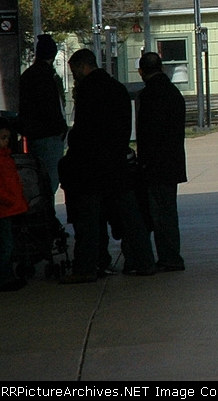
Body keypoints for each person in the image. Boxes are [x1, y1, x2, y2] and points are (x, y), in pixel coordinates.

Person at [58, 49, 156, 283]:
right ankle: (145, 262)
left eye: (74, 71)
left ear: (83, 67)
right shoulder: (117, 88)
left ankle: (87, 267)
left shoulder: (87, 92)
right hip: (117, 163)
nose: (74, 76)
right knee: (131, 217)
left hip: (92, 166)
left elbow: (82, 131)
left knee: (89, 219)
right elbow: (124, 128)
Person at [135, 52, 187, 272]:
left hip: (154, 164)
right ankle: (172, 255)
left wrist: (143, 162)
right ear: (162, 68)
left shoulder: (148, 96)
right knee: (169, 213)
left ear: (141, 72)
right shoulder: (174, 93)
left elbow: (147, 133)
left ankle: (168, 258)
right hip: (172, 161)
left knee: (158, 214)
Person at [18, 34, 68, 204]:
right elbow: (51, 108)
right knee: (50, 180)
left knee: (38, 179)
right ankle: (48, 217)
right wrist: (61, 127)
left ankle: (42, 215)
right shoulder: (47, 77)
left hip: (34, 135)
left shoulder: (28, 76)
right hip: (50, 135)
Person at [0, 117, 28, 292]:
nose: (7, 141)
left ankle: (7, 276)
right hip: (4, 208)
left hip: (9, 207)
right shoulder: (4, 159)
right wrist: (11, 200)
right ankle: (4, 278)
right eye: (3, 138)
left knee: (8, 245)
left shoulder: (6, 158)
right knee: (5, 246)